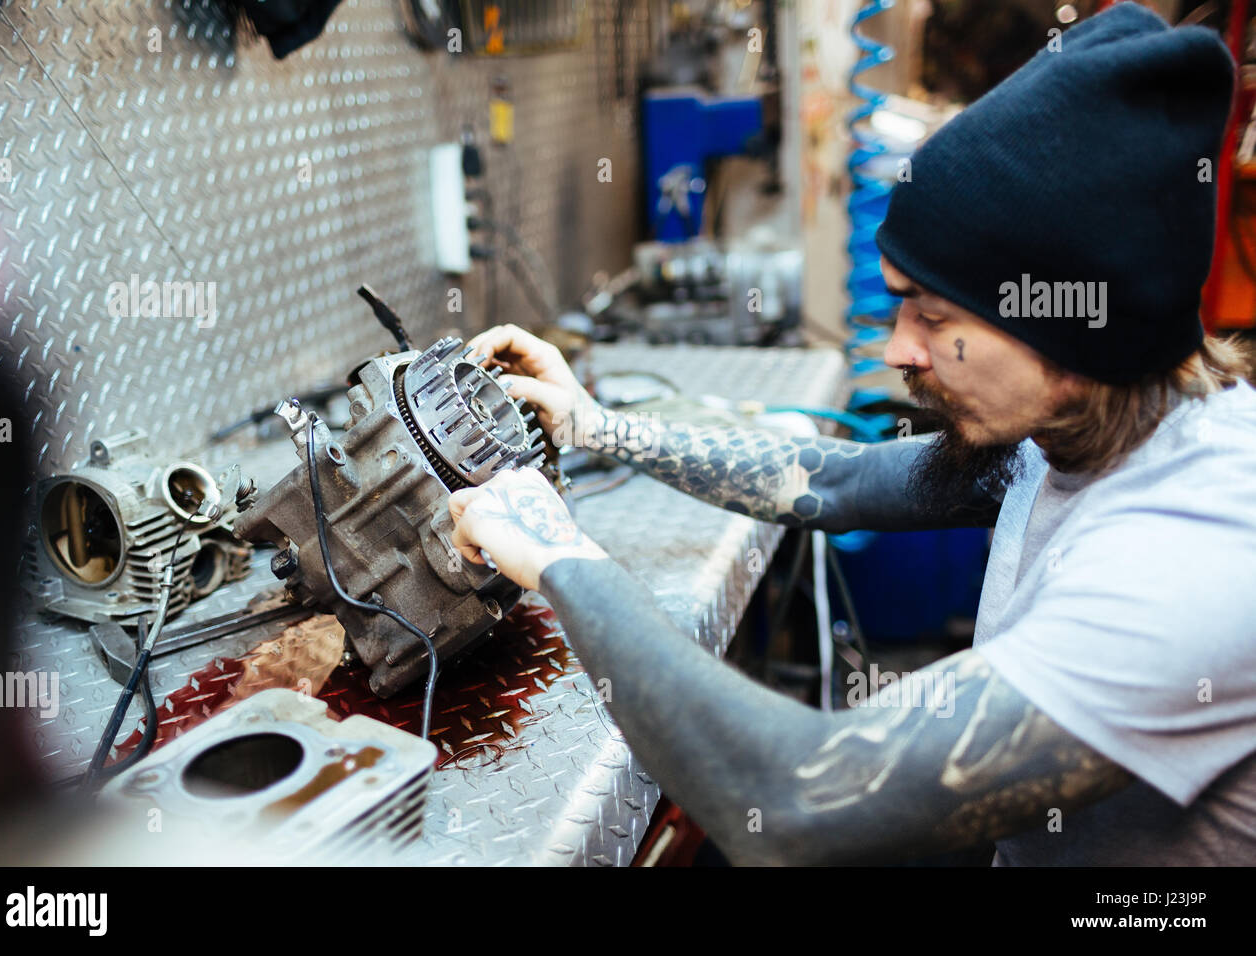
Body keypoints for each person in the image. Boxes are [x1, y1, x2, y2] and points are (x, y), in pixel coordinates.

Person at [447, 2, 1256, 865]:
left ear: (1068, 330)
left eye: (935, 315)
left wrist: (560, 557)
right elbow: (839, 480)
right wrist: (595, 424)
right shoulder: (1077, 428)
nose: (897, 347)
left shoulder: (1192, 561)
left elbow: (794, 798)